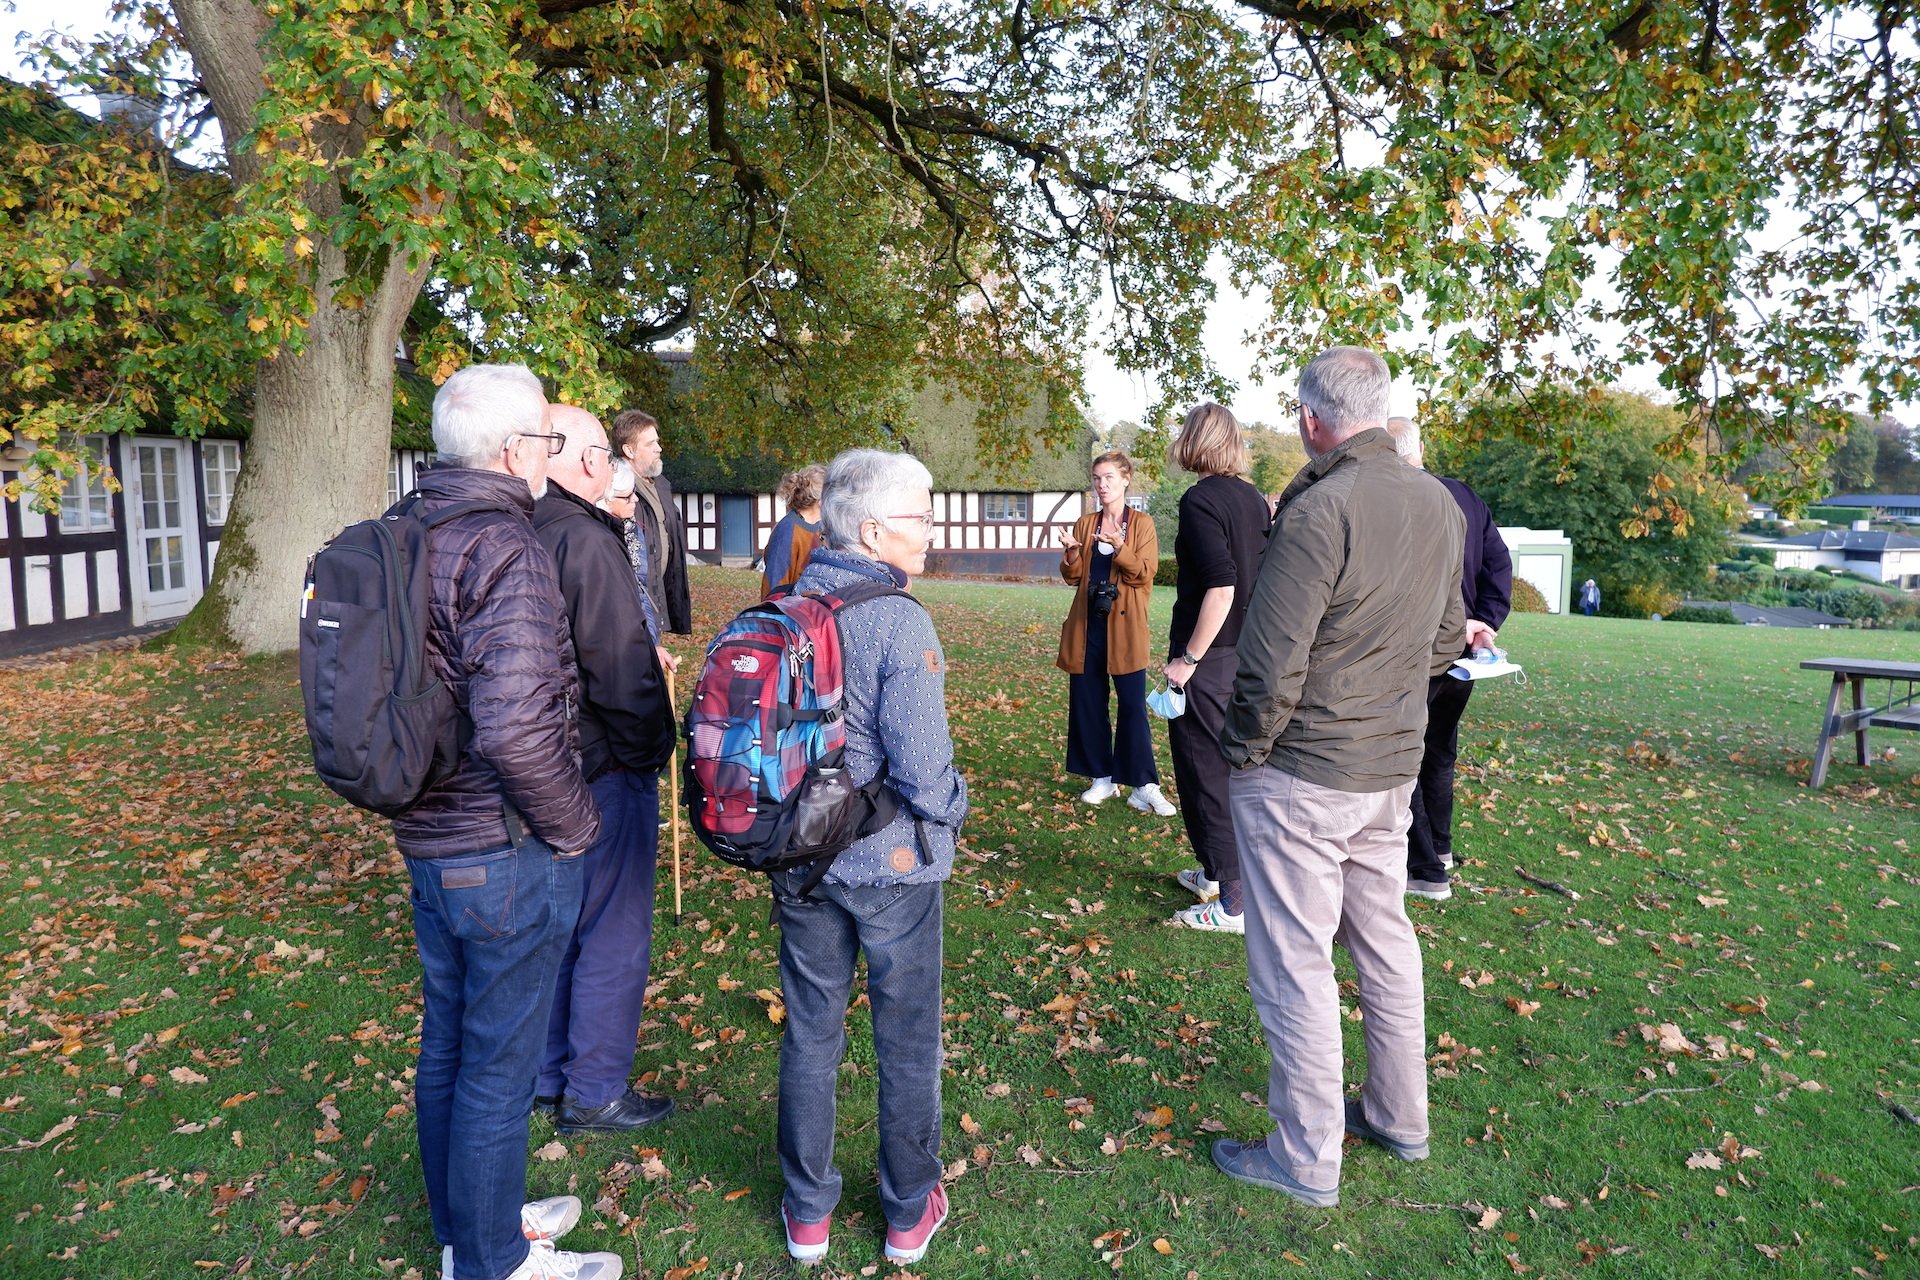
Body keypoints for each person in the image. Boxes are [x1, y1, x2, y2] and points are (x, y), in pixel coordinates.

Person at [1213, 346, 1465, 1209]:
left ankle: (1306, 1156)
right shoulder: (1437, 501)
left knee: (1297, 962)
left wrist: (1243, 749)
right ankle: (1399, 1116)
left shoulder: (1321, 508)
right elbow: (1448, 637)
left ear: (1312, 420)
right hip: (1388, 767)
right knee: (1385, 943)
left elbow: (1271, 660)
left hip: (1307, 772)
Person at [400, 364, 620, 1280]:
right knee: (495, 1063)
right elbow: (518, 728)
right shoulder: (504, 547)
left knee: (450, 1039)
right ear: (509, 451)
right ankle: (489, 1262)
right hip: (498, 844)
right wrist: (575, 829)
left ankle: (470, 1224)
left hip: (426, 836)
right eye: (540, 440)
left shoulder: (404, 532)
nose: (545, 455)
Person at [770, 449, 969, 1268]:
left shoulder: (784, 602)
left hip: (801, 856)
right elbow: (925, 771)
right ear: (878, 529)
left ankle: (808, 1215)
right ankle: (905, 1213)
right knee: (908, 1040)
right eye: (924, 516)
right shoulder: (897, 618)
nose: (934, 529)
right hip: (891, 868)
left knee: (811, 1035)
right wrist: (956, 811)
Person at [530, 407, 678, 1138]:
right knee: (611, 926)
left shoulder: (524, 525)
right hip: (598, 760)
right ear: (592, 461)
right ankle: (591, 1089)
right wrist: (653, 745)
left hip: (543, 765)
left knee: (563, 922)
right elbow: (621, 667)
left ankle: (549, 1072)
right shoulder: (584, 540)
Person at [1385, 416, 1513, 902]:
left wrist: (1475, 625)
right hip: (1462, 648)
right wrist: (1484, 623)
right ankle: (1439, 848)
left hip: (1425, 651)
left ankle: (1426, 867)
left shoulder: (1405, 501)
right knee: (1437, 752)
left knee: (1408, 752)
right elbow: (1498, 565)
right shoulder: (1462, 495)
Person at [1160, 404, 1273, 934]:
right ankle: (1214, 873)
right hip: (1247, 655)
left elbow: (1222, 586)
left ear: (1195, 440)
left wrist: (1188, 660)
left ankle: (1233, 903)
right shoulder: (1252, 499)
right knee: (1223, 769)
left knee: (1207, 772)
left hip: (1213, 659)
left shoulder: (1201, 499)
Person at [1057, 451, 1171, 815]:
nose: (1101, 485)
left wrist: (1120, 548)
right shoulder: (1085, 523)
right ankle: (1101, 777)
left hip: (1126, 629)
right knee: (1088, 703)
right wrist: (1073, 554)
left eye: (1108, 478)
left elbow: (1145, 573)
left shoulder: (1142, 525)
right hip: (1087, 625)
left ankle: (1142, 783)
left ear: (1125, 479)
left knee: (1133, 706)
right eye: (1096, 478)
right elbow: (1073, 577)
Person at [610, 409, 692, 648]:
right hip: (632, 603)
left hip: (658, 596)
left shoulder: (661, 485)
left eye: (657, 441)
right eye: (651, 443)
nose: (659, 448)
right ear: (629, 450)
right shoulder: (616, 488)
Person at [600, 460, 666, 646]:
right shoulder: (596, 537)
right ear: (606, 499)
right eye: (627, 496)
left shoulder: (632, 529)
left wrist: (652, 644)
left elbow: (641, 590)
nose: (635, 499)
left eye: (634, 492)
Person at [761, 464, 827, 595]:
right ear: (821, 500)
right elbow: (773, 588)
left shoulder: (823, 528)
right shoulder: (787, 531)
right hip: (792, 612)